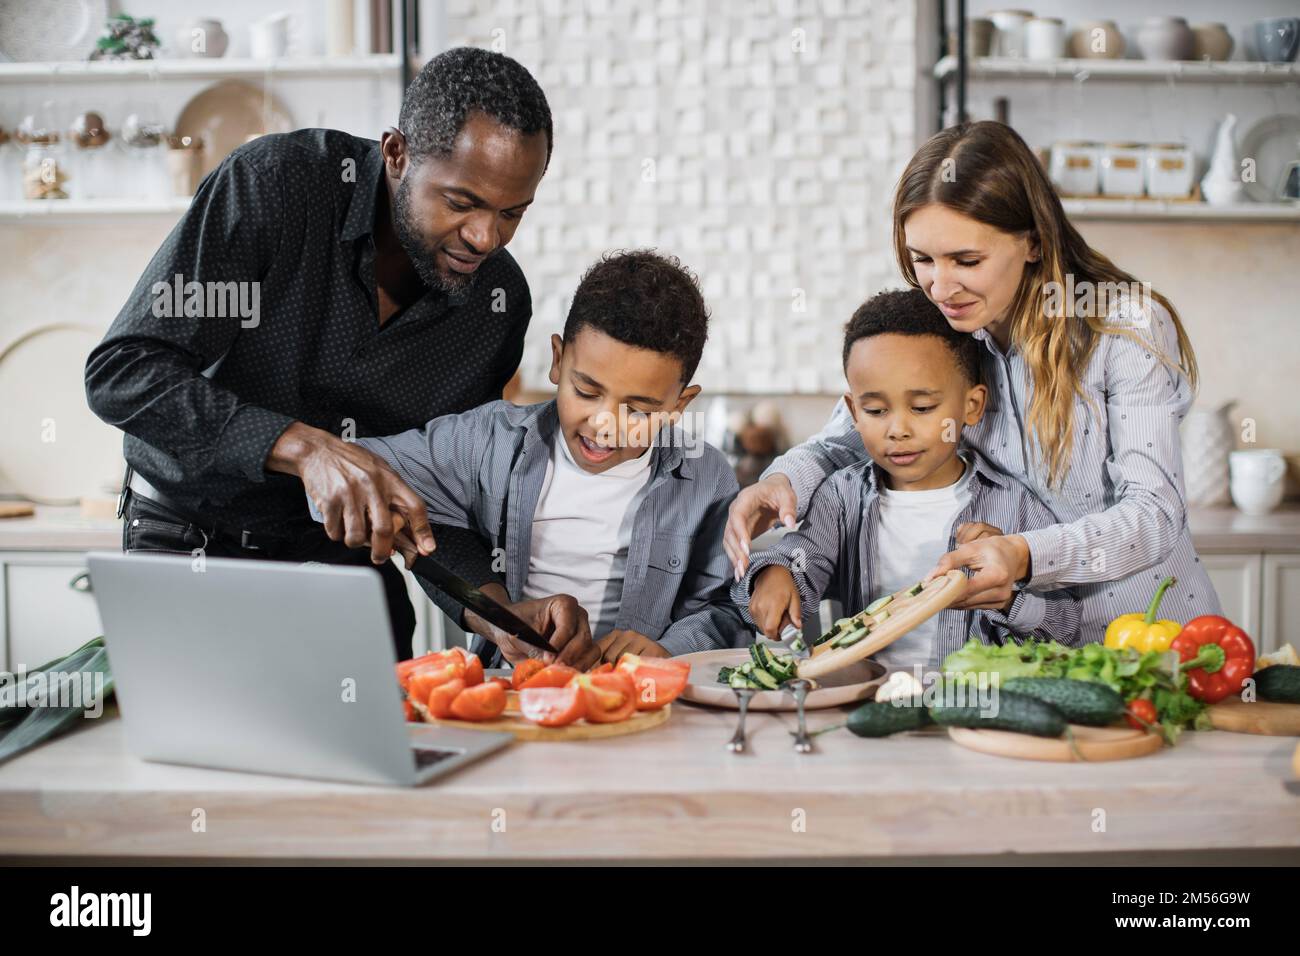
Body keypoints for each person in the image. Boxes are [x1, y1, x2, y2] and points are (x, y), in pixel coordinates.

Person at [85, 48, 585, 660]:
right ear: (396, 153)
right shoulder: (276, 186)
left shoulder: (496, 305)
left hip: (341, 570)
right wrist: (306, 448)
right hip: (189, 541)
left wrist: (493, 607)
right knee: (199, 754)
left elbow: (438, 490)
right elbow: (124, 372)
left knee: (385, 751)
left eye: (513, 213)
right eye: (461, 203)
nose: (486, 237)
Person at [725, 121, 1219, 642]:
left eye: (967, 260)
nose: (939, 285)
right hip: (1030, 652)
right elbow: (848, 436)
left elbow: (1154, 514)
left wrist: (1024, 554)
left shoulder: (1121, 327)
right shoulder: (951, 325)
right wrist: (781, 481)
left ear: (1032, 242)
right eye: (922, 260)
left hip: (1148, 636)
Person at [330, 250, 751, 668]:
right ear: (557, 360)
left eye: (638, 411)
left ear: (679, 405)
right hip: (513, 694)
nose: (605, 423)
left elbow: (727, 609)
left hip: (643, 707)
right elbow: (353, 465)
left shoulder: (705, 477)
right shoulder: (489, 440)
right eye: (586, 392)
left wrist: (668, 650)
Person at [734, 289, 1079, 670]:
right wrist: (774, 573)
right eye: (876, 410)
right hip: (869, 702)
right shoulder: (843, 496)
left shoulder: (1014, 504)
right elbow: (800, 557)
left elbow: (1066, 628)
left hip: (975, 708)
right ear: (853, 411)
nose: (897, 429)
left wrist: (1010, 596)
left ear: (972, 406)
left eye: (922, 408)